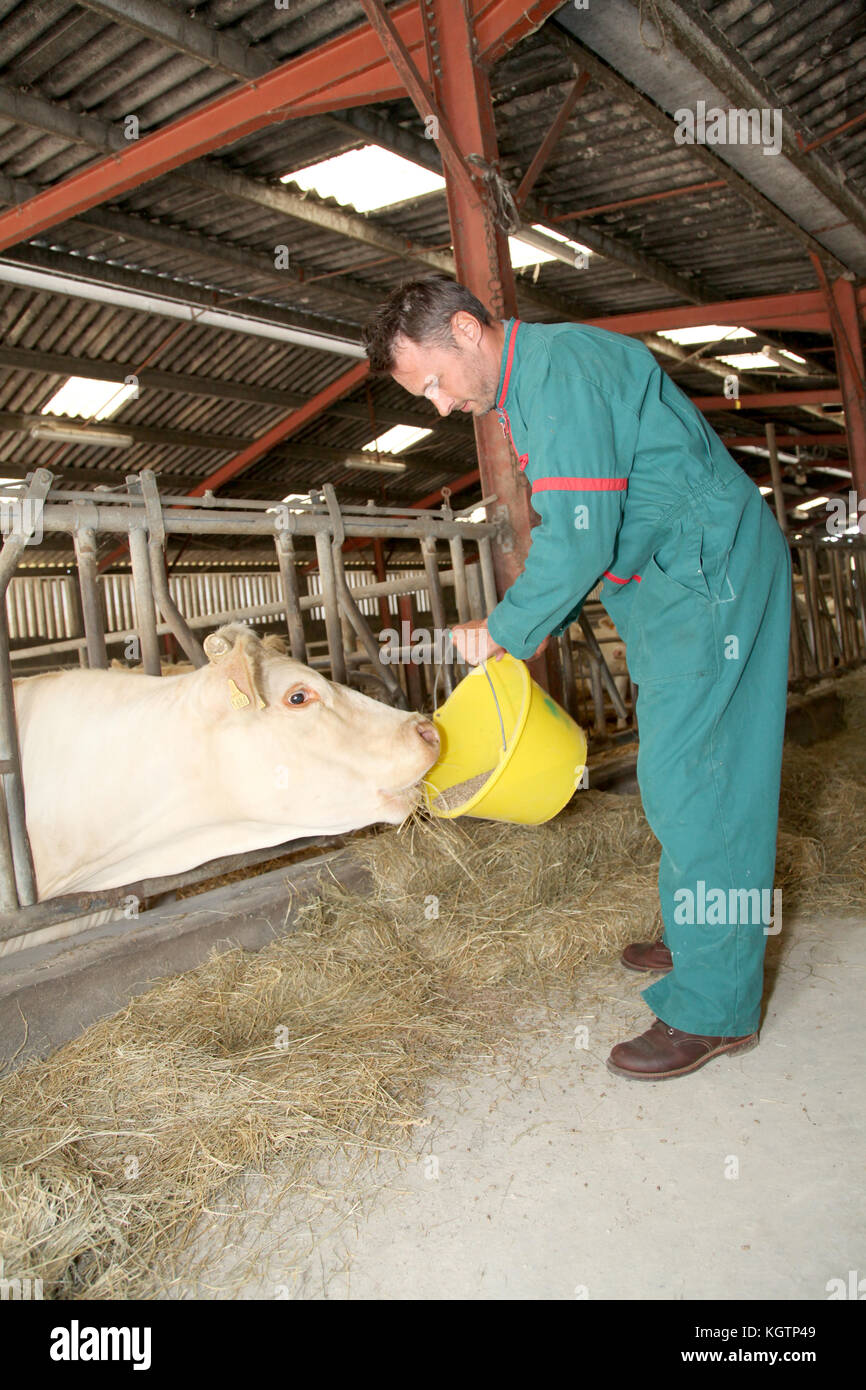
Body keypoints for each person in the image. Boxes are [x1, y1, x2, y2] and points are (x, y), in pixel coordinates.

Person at [362, 274, 792, 1082]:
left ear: (465, 329)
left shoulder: (558, 376)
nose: (440, 406)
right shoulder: (532, 386)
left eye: (432, 383)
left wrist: (502, 632)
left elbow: (578, 541)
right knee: (679, 770)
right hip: (674, 584)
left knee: (700, 778)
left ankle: (714, 1004)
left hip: (710, 578)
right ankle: (703, 925)